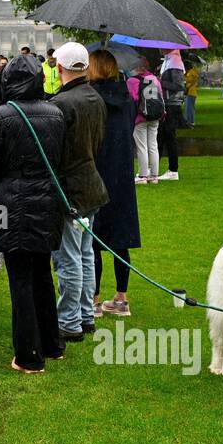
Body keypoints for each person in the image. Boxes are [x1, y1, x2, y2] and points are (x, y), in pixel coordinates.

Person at [0, 54, 66, 373]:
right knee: (41, 270)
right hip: (46, 200)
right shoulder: (56, 113)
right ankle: (52, 344)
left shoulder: (2, 116)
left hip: (10, 201)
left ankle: (28, 355)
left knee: (20, 276)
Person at [48, 42, 109, 344]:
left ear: (59, 68)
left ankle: (70, 322)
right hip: (90, 185)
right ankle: (84, 316)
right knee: (84, 255)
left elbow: (56, 153)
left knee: (70, 258)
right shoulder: (95, 97)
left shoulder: (61, 104)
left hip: (71, 191)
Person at [89, 50, 141, 317]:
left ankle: (95, 300)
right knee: (120, 237)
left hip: (97, 168)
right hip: (121, 171)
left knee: (94, 239)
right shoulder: (127, 98)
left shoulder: (91, 97)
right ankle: (121, 297)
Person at [128, 54, 163, 184]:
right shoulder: (154, 79)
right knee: (153, 145)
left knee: (141, 146)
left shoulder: (132, 81)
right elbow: (160, 96)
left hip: (140, 117)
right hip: (155, 116)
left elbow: (133, 99)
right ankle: (154, 176)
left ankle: (142, 176)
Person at [156, 51, 186, 180]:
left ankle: (173, 170)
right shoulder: (169, 61)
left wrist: (160, 82)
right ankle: (154, 168)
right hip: (167, 103)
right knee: (161, 136)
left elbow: (179, 85)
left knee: (169, 136)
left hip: (172, 104)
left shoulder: (175, 63)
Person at [184, 62, 199, 127]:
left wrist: (186, 86)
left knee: (188, 108)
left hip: (190, 92)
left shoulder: (190, 73)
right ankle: (192, 121)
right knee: (191, 107)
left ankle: (189, 121)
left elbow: (189, 81)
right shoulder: (194, 71)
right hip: (193, 92)